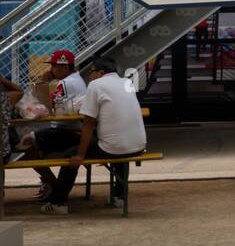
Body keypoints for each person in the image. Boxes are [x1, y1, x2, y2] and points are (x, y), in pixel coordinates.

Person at [40, 56, 147, 214]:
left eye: (91, 72)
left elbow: (88, 124)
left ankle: (58, 202)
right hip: (138, 145)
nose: (89, 76)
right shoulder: (127, 82)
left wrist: (80, 155)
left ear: (101, 72)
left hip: (113, 148)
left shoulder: (96, 85)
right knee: (116, 143)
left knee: (72, 153)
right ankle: (120, 196)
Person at [29, 49, 88, 199]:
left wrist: (44, 82)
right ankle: (50, 184)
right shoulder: (77, 79)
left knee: (27, 147)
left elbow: (53, 109)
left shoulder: (66, 83)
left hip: (69, 132)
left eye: (54, 66)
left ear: (65, 67)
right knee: (31, 142)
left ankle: (54, 187)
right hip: (74, 130)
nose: (51, 69)